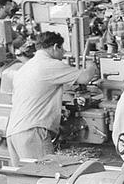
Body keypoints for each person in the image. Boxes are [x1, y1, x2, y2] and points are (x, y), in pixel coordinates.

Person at [6, 31, 99, 166]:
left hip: (13, 132)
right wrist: (92, 66)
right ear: (55, 47)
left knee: (24, 182)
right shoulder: (50, 64)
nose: (64, 52)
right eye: (63, 48)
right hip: (33, 132)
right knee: (45, 178)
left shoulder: (25, 68)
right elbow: (84, 78)